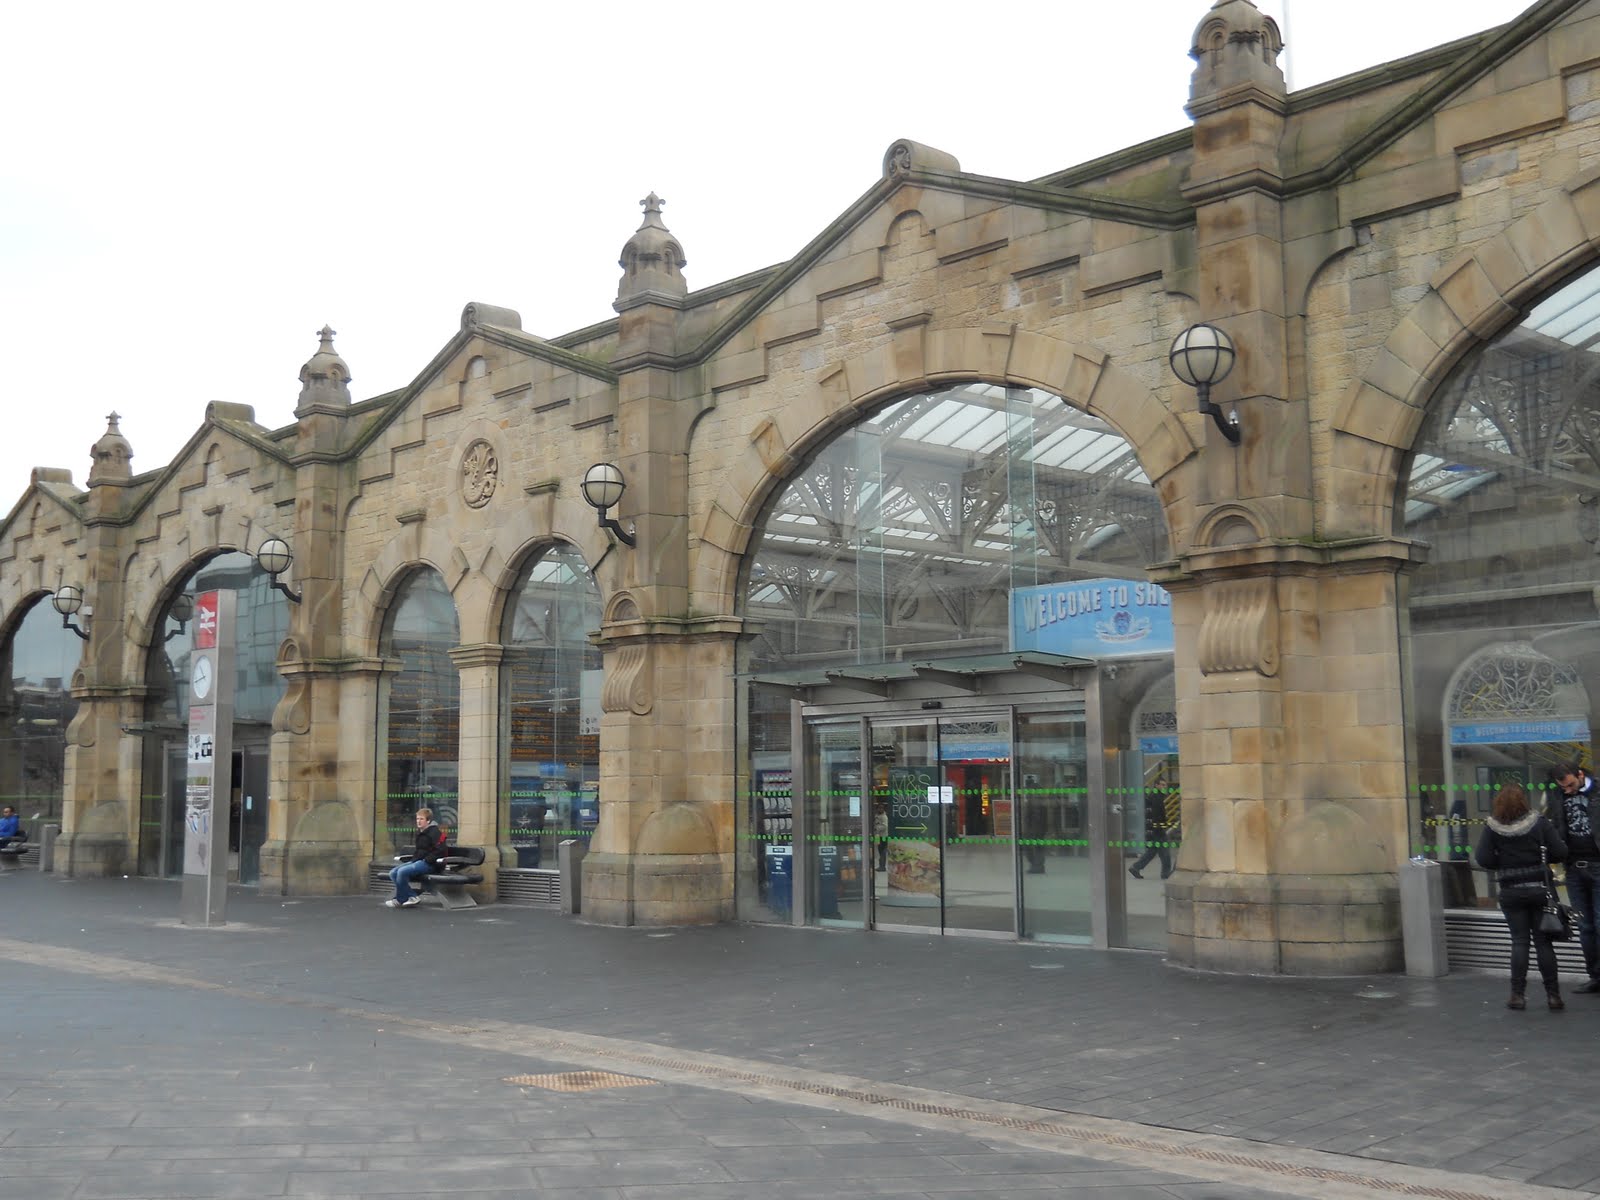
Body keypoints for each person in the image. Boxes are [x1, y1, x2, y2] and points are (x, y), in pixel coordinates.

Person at [1476, 782, 1567, 1011]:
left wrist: (1505, 863)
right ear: (1524, 801)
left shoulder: (1492, 827)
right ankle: (1553, 996)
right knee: (1543, 943)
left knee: (1519, 942)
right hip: (1539, 889)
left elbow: (1483, 859)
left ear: (1498, 803)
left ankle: (1517, 995)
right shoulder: (1540, 823)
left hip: (1511, 890)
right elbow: (1560, 851)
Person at [1546, 760, 1600, 993]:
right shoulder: (1557, 795)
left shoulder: (1597, 791)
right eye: (1562, 787)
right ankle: (1595, 976)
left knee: (1599, 923)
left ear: (1579, 774)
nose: (1567, 790)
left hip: (1598, 865)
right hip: (1574, 868)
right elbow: (1557, 826)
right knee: (1585, 925)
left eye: (1569, 785)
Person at [387, 807, 445, 909]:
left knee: (402, 872)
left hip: (432, 864)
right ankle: (412, 896)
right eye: (417, 819)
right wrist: (414, 860)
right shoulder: (421, 832)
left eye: (421, 819)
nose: (418, 821)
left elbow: (440, 850)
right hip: (419, 861)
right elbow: (420, 850)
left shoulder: (435, 833)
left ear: (428, 821)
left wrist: (427, 860)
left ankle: (401, 899)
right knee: (393, 873)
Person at [1129, 789, 1180, 881]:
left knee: (1152, 851)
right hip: (1158, 830)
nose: (1165, 787)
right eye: (1162, 785)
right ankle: (1165, 873)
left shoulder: (1155, 797)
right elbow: (1157, 816)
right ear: (1157, 785)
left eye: (1165, 785)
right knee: (1165, 853)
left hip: (1155, 829)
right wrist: (1160, 827)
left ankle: (1136, 867)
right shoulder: (1156, 798)